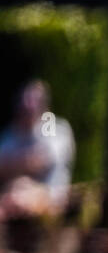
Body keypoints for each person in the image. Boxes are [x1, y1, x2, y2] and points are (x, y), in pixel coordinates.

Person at [0, 80, 75, 220]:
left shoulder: (53, 125)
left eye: (33, 103)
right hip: (13, 195)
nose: (28, 107)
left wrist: (16, 164)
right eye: (24, 103)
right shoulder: (14, 131)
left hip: (50, 198)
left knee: (17, 196)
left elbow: (42, 159)